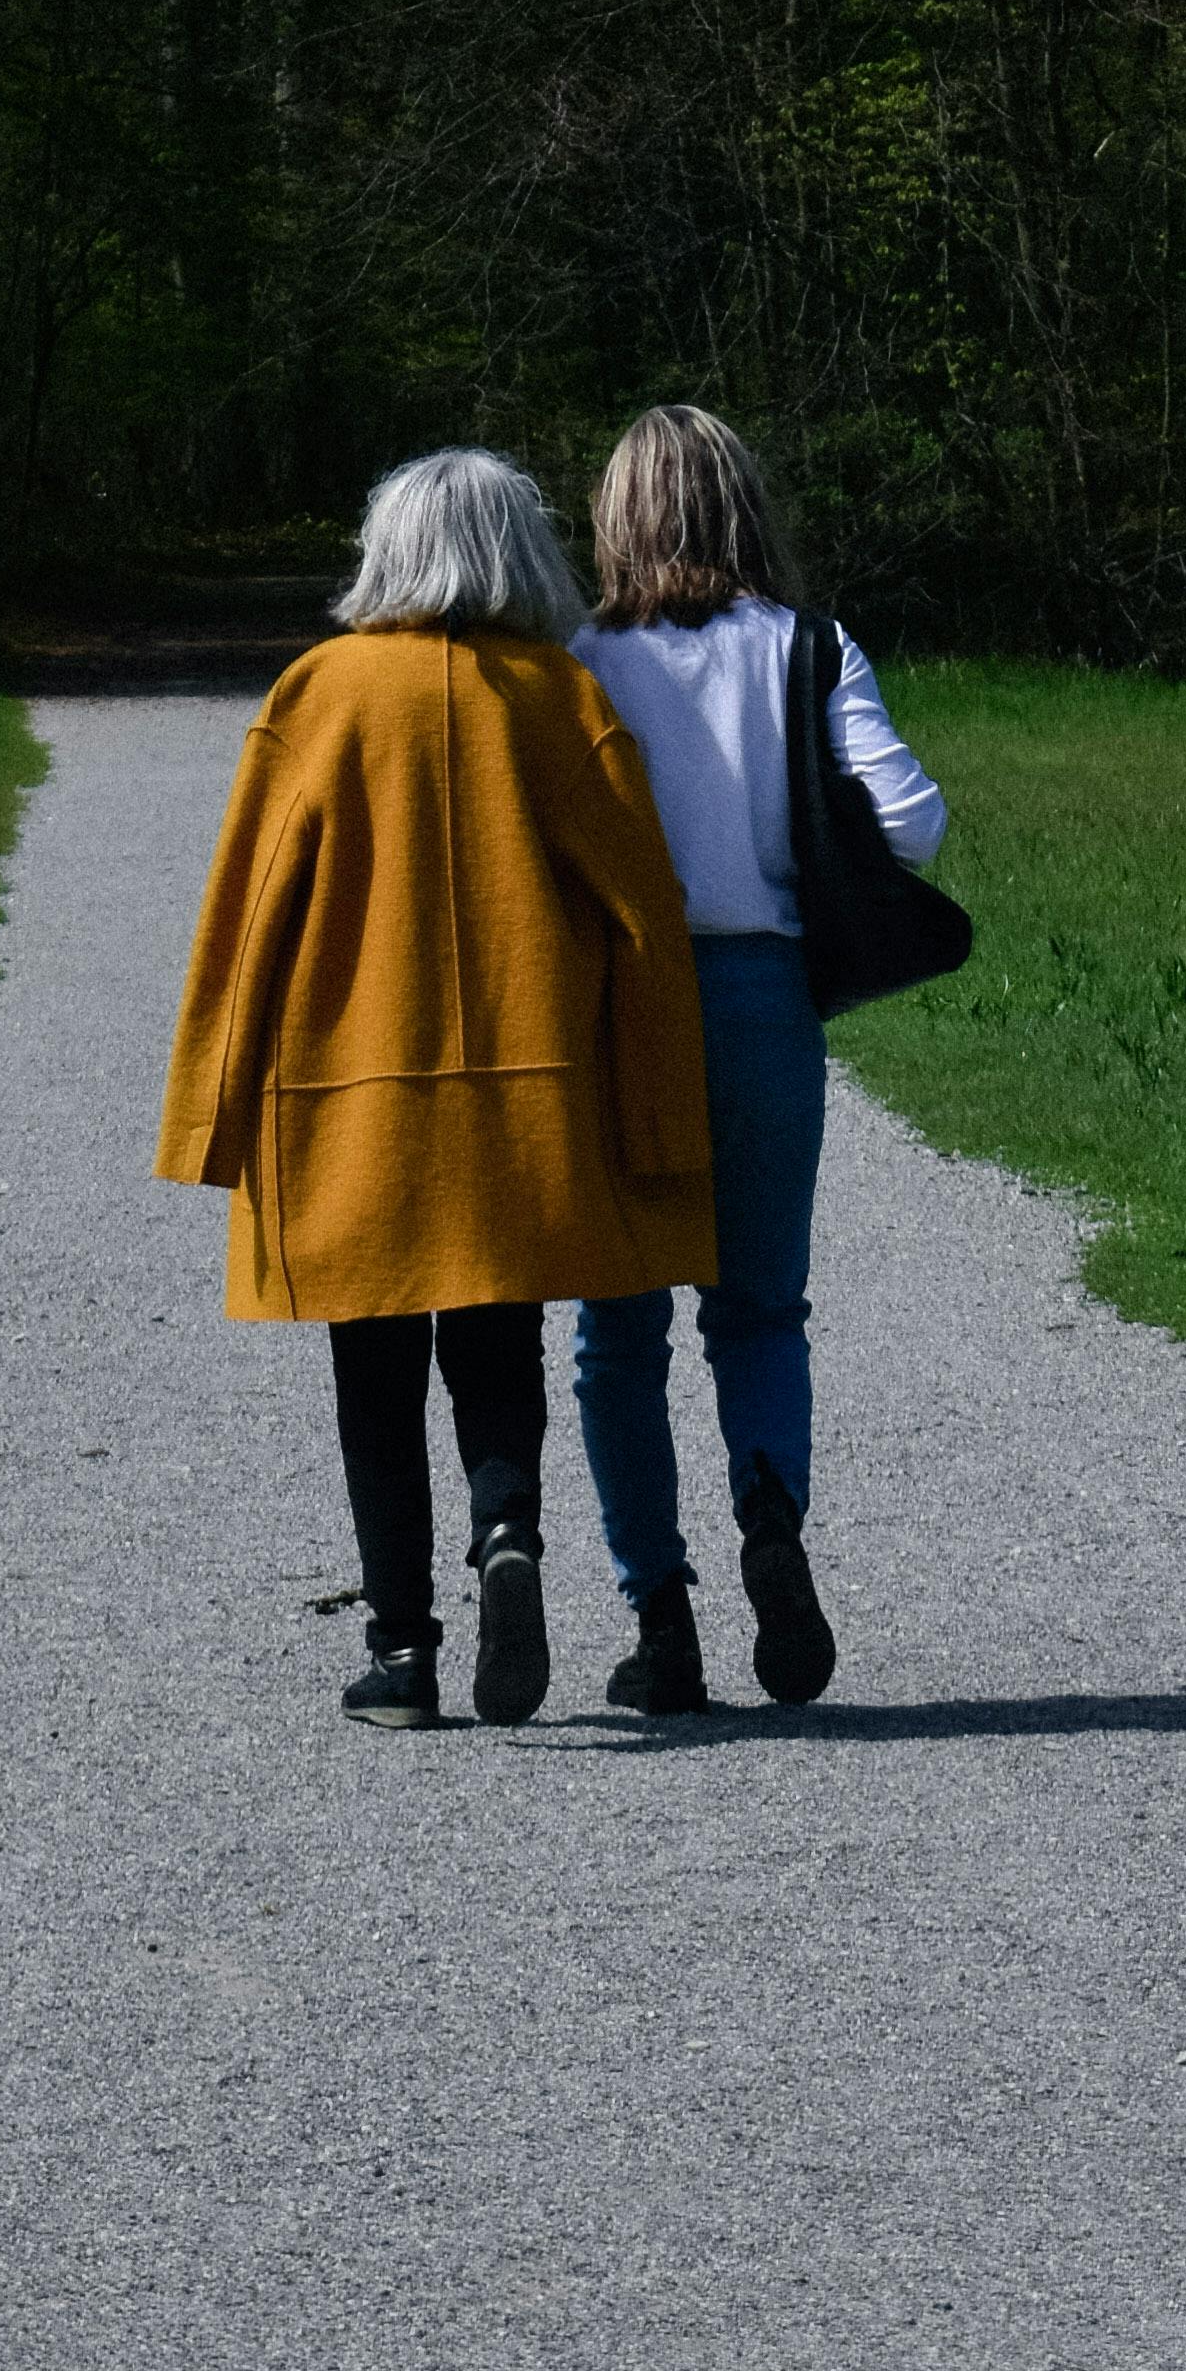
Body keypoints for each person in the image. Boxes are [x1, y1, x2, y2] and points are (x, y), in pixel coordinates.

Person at [158, 447, 713, 1732]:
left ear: (385, 549)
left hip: (351, 1094)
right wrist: (663, 1112)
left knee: (373, 1364)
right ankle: (505, 1528)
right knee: (497, 1338)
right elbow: (645, 913)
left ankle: (402, 1650)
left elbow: (243, 922)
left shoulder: (322, 694)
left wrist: (210, 1112)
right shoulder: (558, 697)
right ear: (523, 552)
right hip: (529, 1094)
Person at [567, 402, 948, 1718]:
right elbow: (912, 820)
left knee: (618, 1336)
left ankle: (659, 1619)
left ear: (620, 516)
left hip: (627, 1011)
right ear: (742, 507)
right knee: (760, 1310)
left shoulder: (582, 664)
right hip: (768, 997)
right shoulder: (809, 650)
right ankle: (770, 1524)